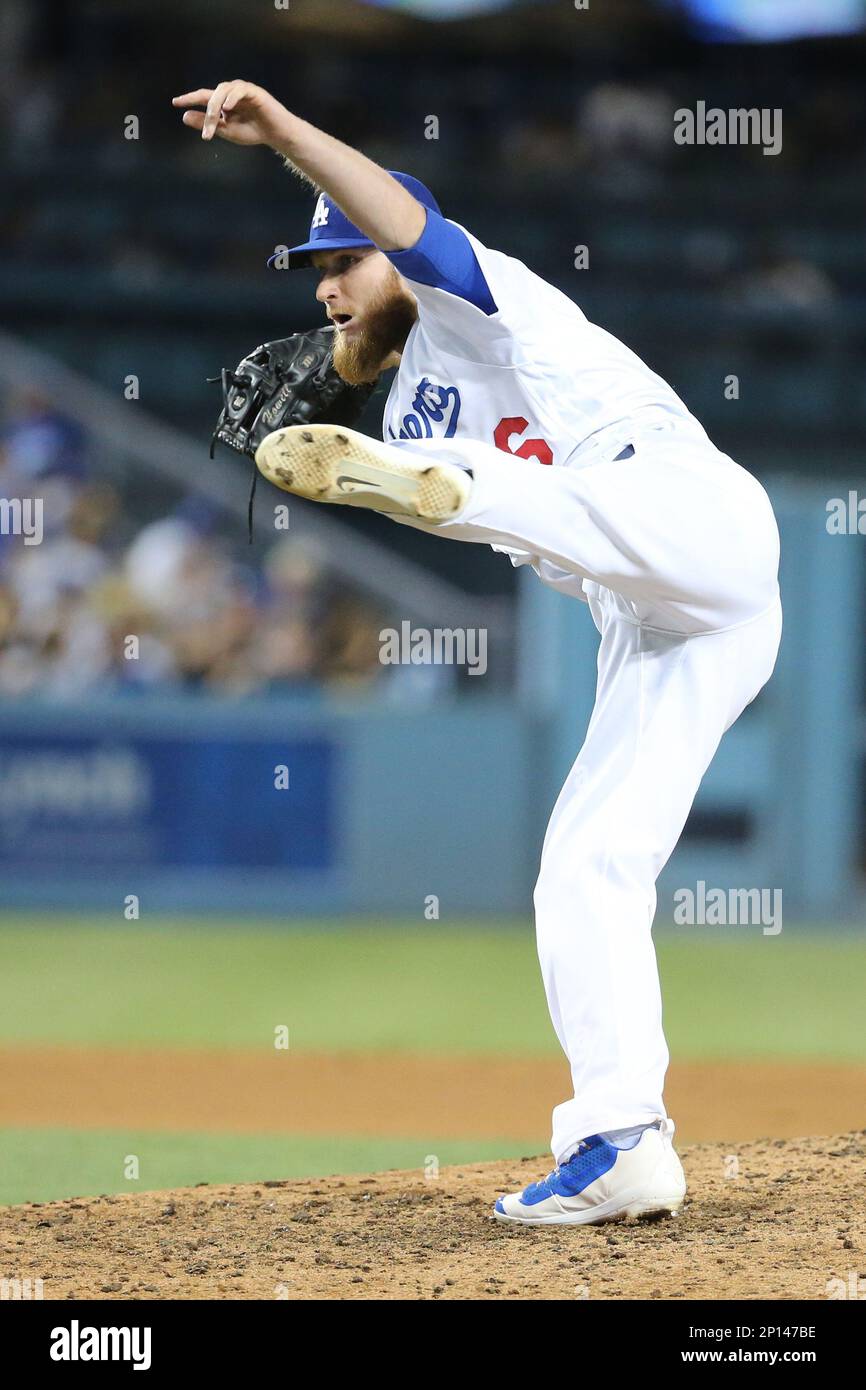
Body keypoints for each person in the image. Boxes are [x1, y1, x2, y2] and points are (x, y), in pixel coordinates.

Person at [174, 81, 782, 1227]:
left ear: (394, 253)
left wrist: (287, 134)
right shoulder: (409, 414)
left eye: (340, 262)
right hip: (654, 617)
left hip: (683, 512)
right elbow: (368, 355)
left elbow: (405, 228)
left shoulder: (474, 293)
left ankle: (466, 495)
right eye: (318, 271)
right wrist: (362, 381)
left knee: (488, 490)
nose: (327, 286)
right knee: (585, 867)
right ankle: (623, 1137)